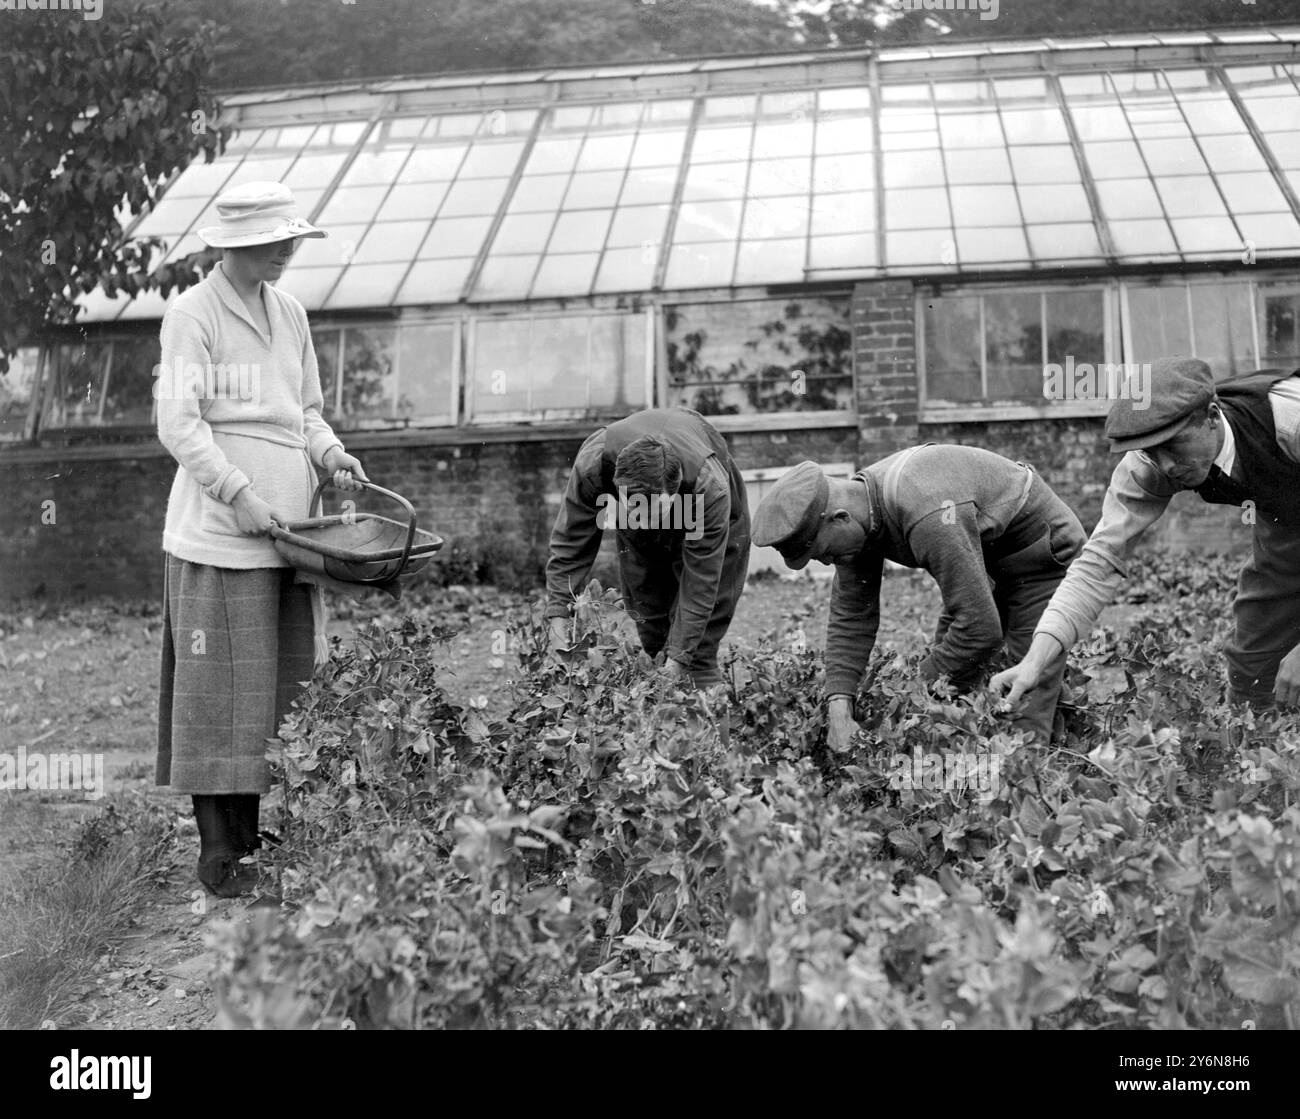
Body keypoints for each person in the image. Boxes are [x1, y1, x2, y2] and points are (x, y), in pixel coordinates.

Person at [155, 181, 366, 898]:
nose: (286, 251)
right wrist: (237, 492)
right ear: (234, 245)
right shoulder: (192, 315)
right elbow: (179, 425)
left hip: (291, 533)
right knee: (219, 690)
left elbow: (304, 411)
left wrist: (331, 452)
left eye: (291, 240)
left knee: (275, 685)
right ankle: (219, 856)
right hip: (220, 534)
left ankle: (251, 840)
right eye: (274, 241)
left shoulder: (291, 313)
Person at [992, 357, 1300, 713]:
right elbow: (1097, 564)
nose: (1166, 464)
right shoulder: (1147, 466)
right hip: (1284, 525)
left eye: (1173, 445)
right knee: (1251, 666)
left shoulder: (1289, 420)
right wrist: (1033, 662)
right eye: (1153, 450)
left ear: (1212, 416)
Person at [752, 446, 1086, 749]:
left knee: (1022, 707)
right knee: (950, 688)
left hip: (1041, 555)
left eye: (823, 553)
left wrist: (901, 701)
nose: (827, 563)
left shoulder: (927, 509)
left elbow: (979, 630)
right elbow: (852, 615)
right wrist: (839, 707)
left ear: (840, 518)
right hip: (983, 558)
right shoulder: (859, 513)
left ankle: (1036, 783)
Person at [545, 407, 750, 690]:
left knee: (696, 652)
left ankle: (706, 716)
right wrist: (557, 621)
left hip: (713, 524)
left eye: (654, 512)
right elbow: (571, 543)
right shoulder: (595, 462)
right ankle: (658, 720)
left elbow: (701, 581)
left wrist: (679, 660)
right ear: (619, 486)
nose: (645, 521)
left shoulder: (708, 487)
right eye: (635, 508)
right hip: (643, 534)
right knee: (652, 627)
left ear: (675, 489)